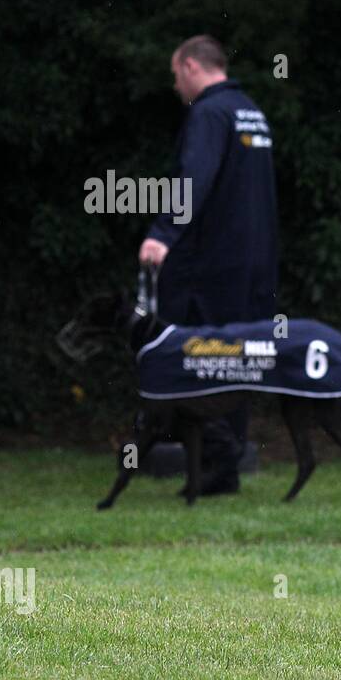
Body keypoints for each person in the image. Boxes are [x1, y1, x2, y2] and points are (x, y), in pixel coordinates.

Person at [137, 35, 279, 495]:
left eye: (176, 74)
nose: (176, 85)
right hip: (253, 264)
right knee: (235, 359)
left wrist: (163, 234)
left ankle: (213, 464)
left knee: (194, 357)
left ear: (193, 66)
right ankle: (228, 457)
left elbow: (193, 180)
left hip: (211, 264)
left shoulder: (209, 113)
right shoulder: (249, 110)